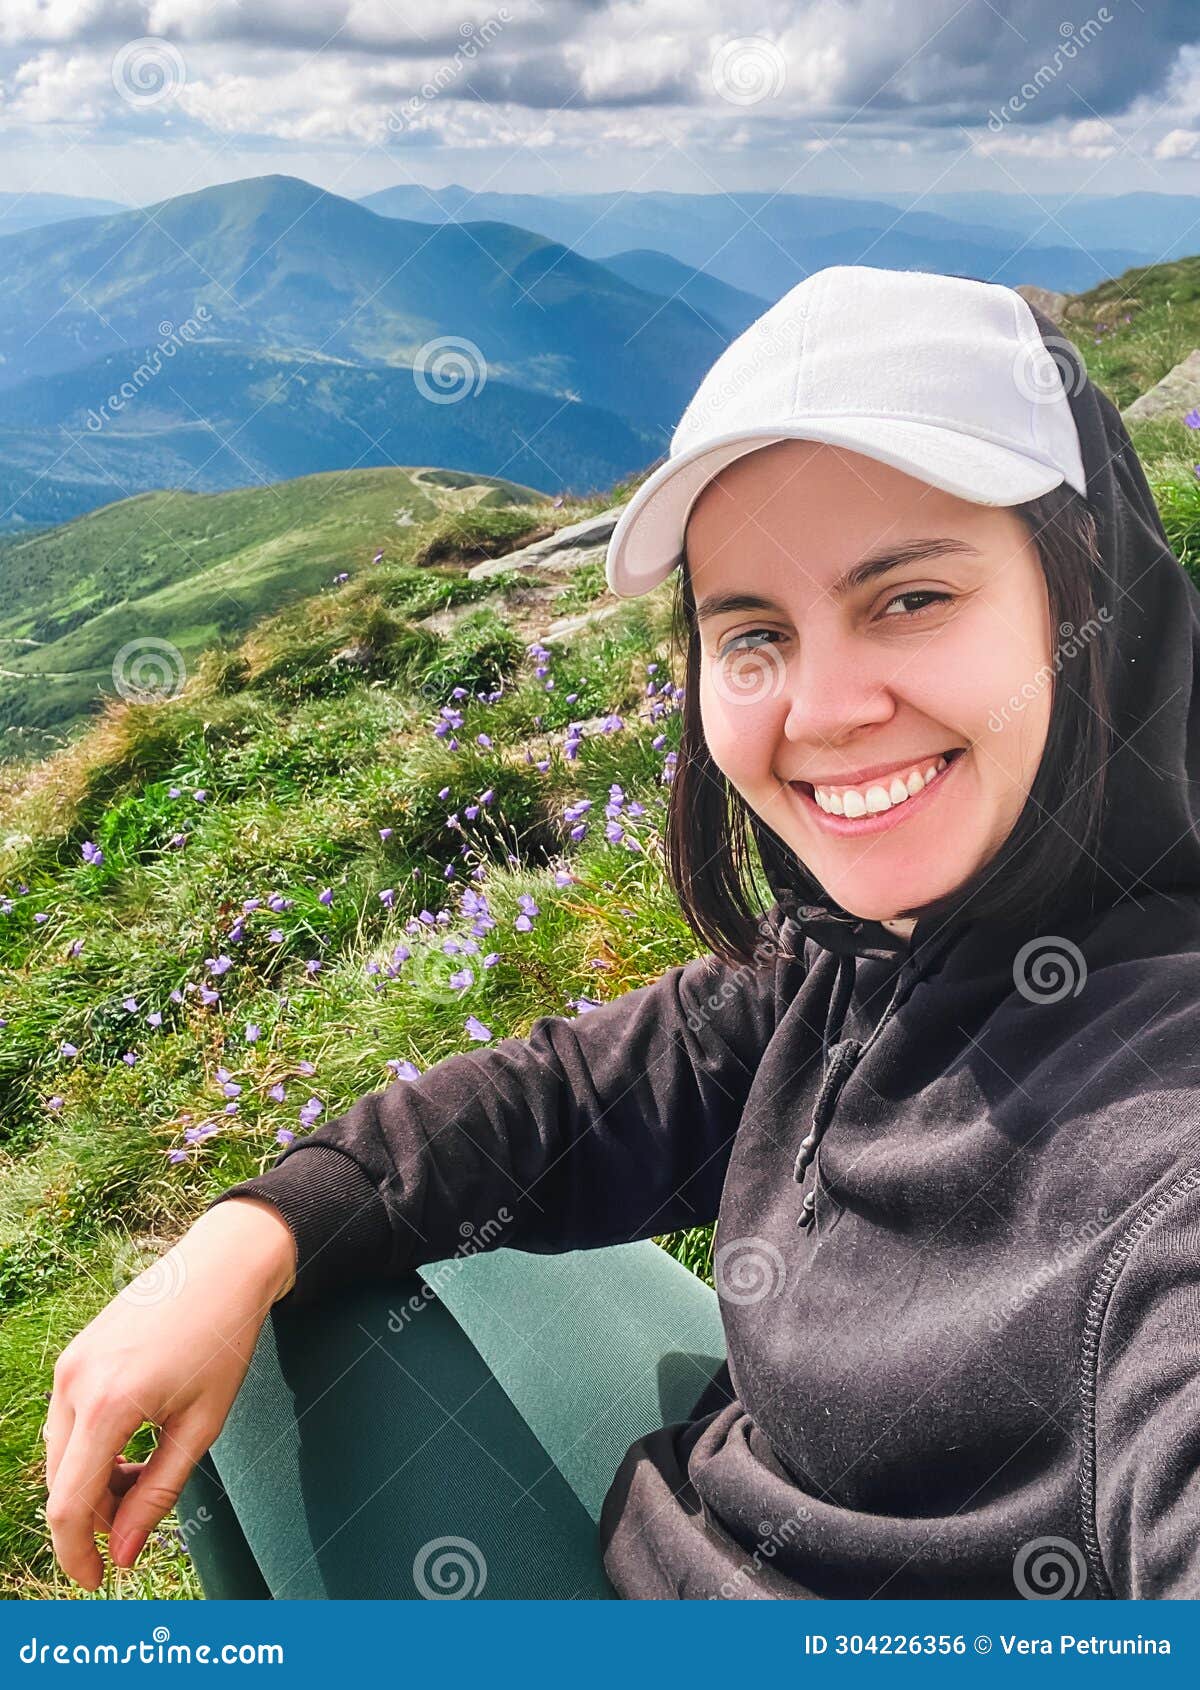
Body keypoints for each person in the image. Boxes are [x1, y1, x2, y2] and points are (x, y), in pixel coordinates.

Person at [43, 265, 1200, 1601]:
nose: (818, 709)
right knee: (281, 1288)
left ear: (1091, 601)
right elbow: (579, 1090)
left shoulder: (1155, 1129)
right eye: (754, 632)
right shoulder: (868, 950)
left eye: (912, 598)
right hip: (689, 1520)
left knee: (273, 1387)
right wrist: (243, 1236)